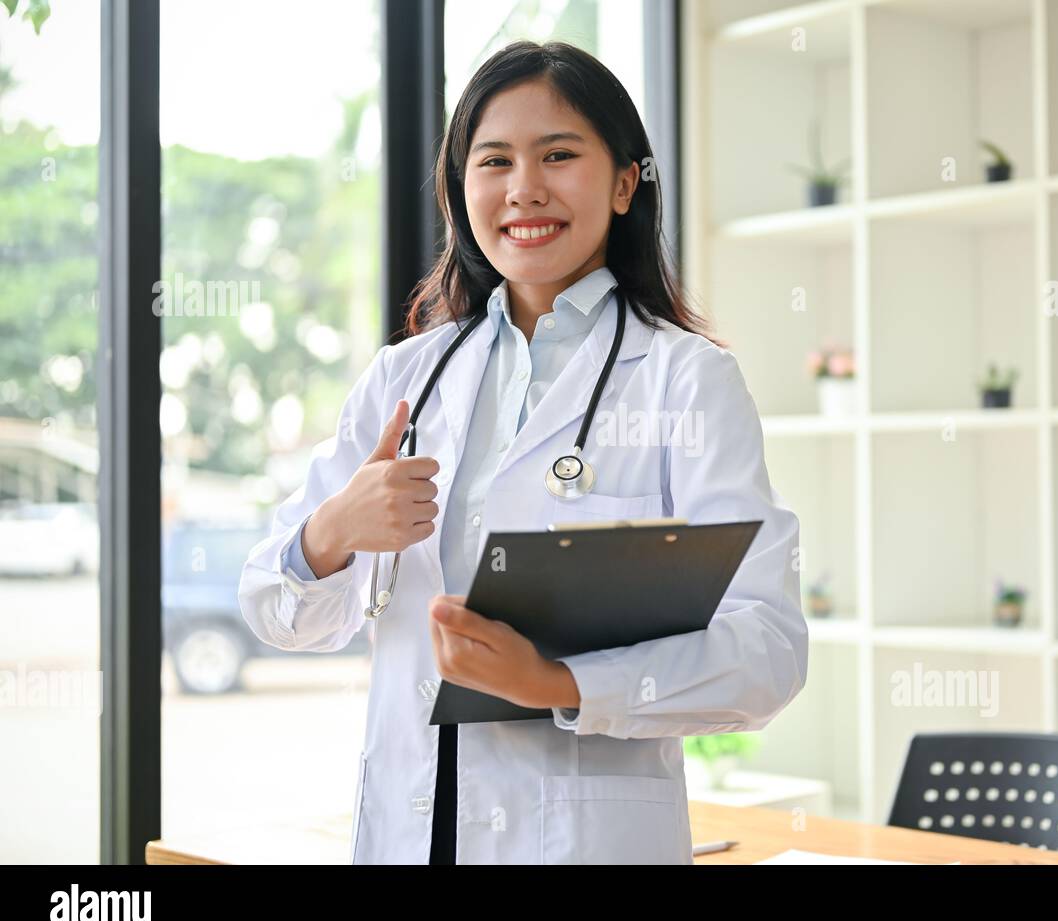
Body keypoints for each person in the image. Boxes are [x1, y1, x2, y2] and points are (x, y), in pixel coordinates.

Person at [237, 39, 808, 865]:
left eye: (560, 155)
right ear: (461, 189)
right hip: (409, 829)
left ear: (624, 183)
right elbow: (274, 608)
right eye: (494, 160)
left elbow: (768, 652)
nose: (523, 189)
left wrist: (558, 686)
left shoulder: (688, 382)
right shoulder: (408, 376)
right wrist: (334, 528)